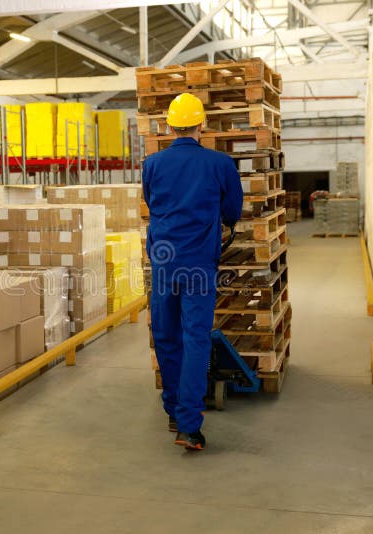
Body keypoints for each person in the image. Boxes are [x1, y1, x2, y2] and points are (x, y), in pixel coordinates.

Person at [142, 92, 243, 451]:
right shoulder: (220, 164)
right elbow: (233, 211)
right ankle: (188, 424)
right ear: (202, 125)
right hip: (200, 263)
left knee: (167, 335)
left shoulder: (152, 164)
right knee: (195, 337)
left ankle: (173, 409)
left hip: (165, 263)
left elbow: (152, 203)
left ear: (169, 126)